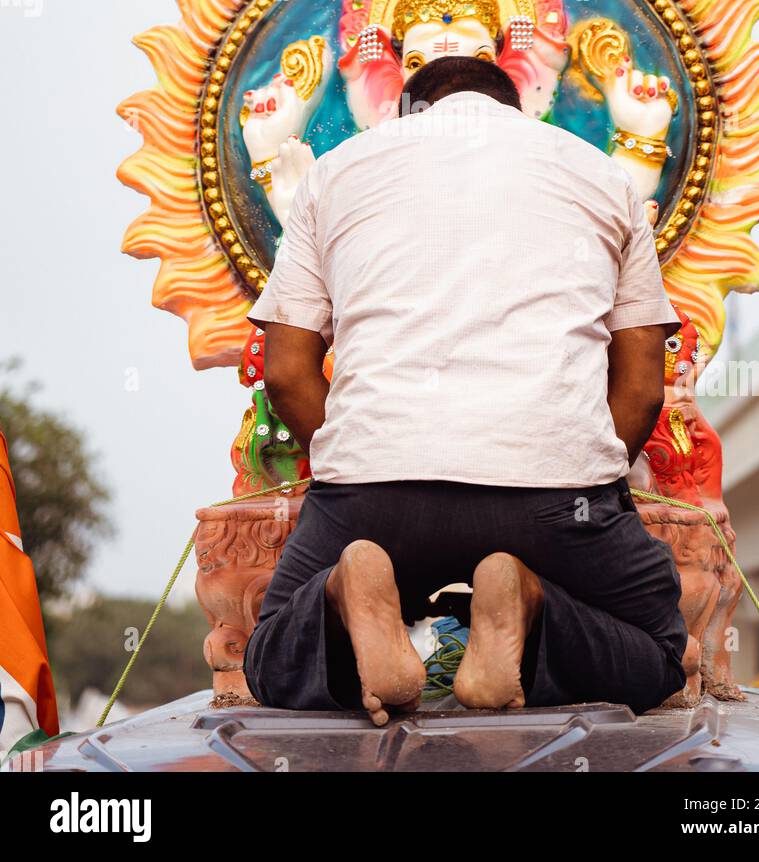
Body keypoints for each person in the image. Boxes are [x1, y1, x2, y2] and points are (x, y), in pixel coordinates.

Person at [243, 56, 687, 725]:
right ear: (517, 110)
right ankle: (526, 599)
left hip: (373, 495)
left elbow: (284, 371)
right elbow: (643, 385)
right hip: (555, 495)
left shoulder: (336, 173)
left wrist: (355, 461)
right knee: (657, 655)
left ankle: (345, 590)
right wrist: (583, 474)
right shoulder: (602, 175)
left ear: (406, 110)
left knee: (269, 654)